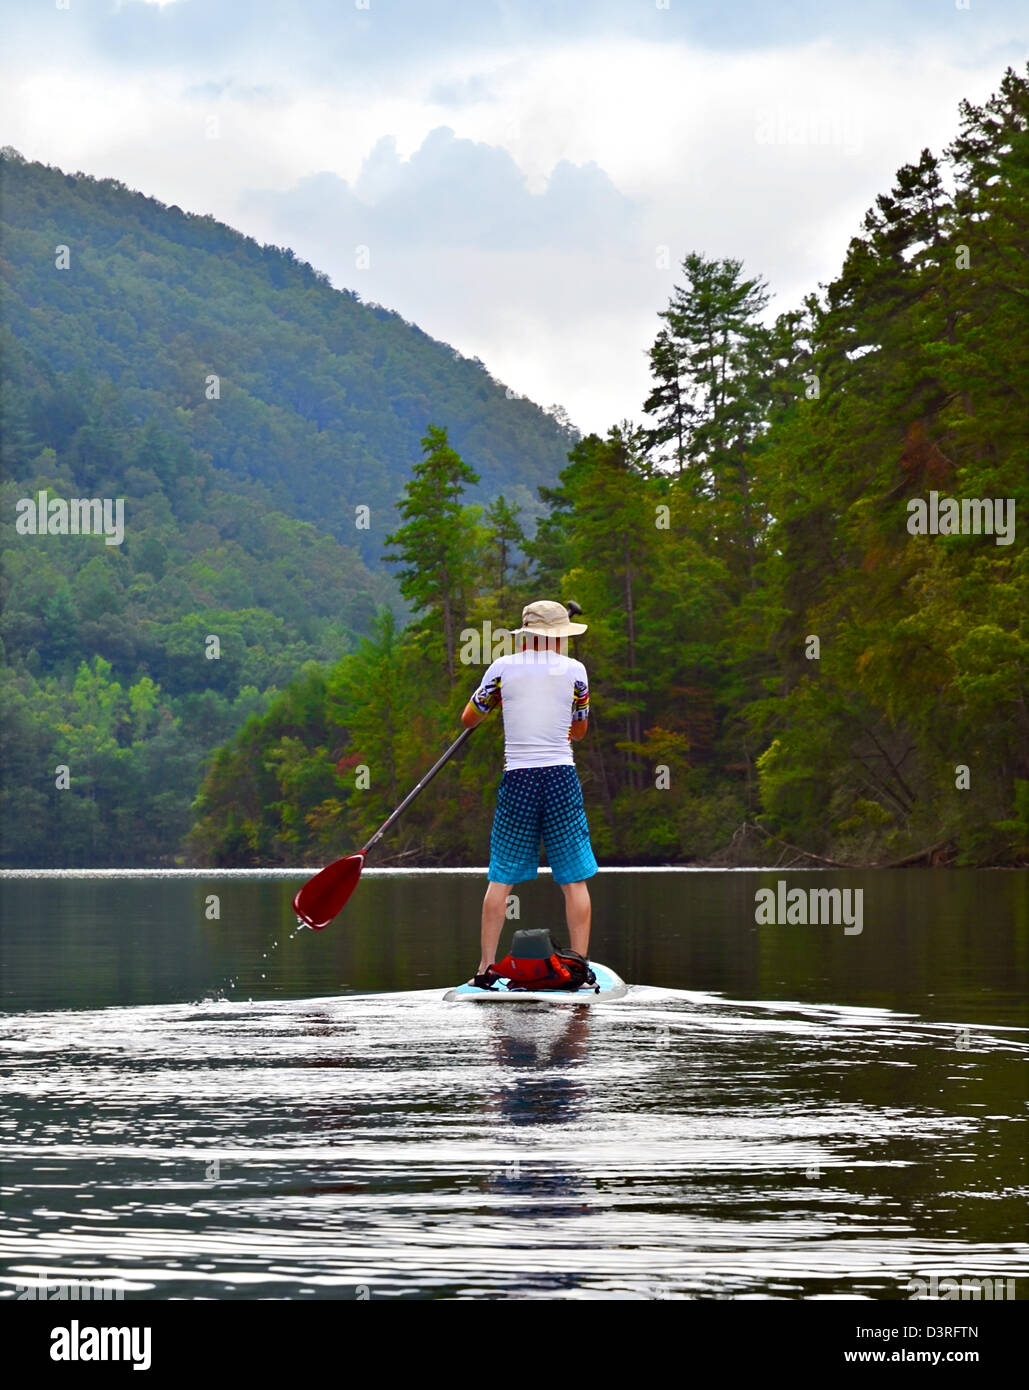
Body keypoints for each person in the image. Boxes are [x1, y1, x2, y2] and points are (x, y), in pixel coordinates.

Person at [460, 600, 598, 984]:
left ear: (527, 634)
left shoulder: (502, 668)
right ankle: (579, 964)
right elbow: (580, 731)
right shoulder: (576, 671)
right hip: (560, 778)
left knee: (501, 877)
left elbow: (469, 718)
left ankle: (485, 968)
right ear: (558, 636)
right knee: (573, 878)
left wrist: (500, 699)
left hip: (518, 779)